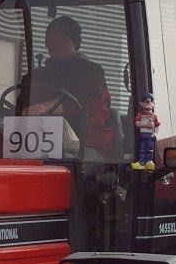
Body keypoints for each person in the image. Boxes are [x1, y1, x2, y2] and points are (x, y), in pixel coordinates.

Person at [22, 15, 115, 157]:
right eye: (51, 40)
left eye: (62, 39)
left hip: (86, 147)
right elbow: (19, 107)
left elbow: (78, 101)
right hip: (39, 143)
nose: (55, 44)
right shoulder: (36, 75)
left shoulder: (91, 72)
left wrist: (43, 108)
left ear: (75, 43)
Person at [131, 93, 159, 170]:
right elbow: (137, 124)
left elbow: (157, 126)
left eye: (150, 102)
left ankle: (149, 161)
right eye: (146, 102)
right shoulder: (140, 115)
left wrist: (155, 134)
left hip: (150, 136)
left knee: (150, 149)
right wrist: (147, 125)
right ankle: (141, 162)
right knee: (142, 149)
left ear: (153, 104)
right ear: (142, 103)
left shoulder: (154, 116)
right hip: (142, 135)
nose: (148, 104)